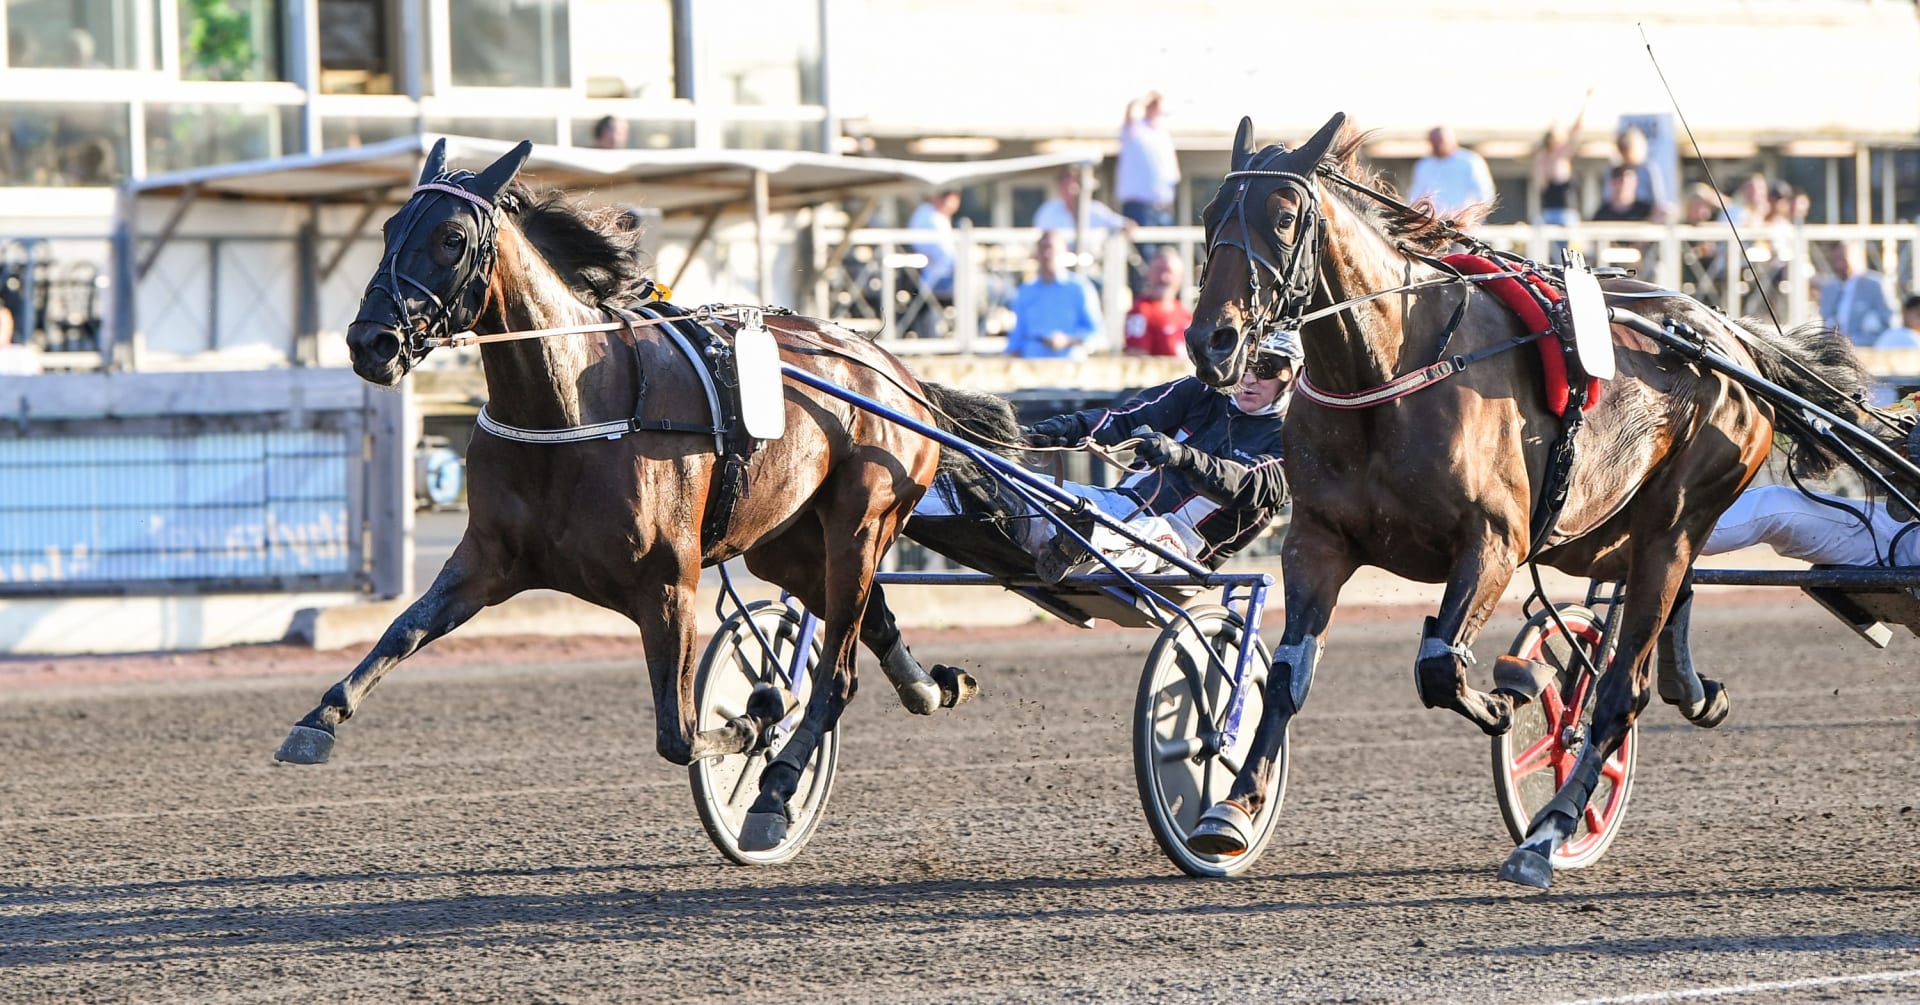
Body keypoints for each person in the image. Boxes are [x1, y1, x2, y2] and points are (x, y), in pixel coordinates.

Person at [1014, 333, 1295, 582]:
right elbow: (1126, 419)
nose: (1249, 378)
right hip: (1119, 505)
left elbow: (1248, 484)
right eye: (1243, 363)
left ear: (1293, 375)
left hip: (1183, 548)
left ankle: (1082, 540)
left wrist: (1183, 457)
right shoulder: (1199, 391)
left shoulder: (1295, 438)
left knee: (1132, 529)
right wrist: (1067, 427)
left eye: (1266, 368)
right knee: (1018, 484)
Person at [1703, 484, 1920, 567]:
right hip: (1901, 539)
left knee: (1775, 506)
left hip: (1903, 548)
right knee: (1774, 504)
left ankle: (1675, 535)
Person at [1004, 231, 1102, 359]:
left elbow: (1096, 332)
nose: (1047, 255)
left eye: (1051, 248)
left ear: (1064, 252)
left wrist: (1068, 340)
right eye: (1042, 249)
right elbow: (1017, 337)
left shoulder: (1079, 288)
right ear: (1036, 254)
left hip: (1071, 368)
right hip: (1032, 368)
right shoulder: (1025, 291)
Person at [1116, 92, 1181, 232]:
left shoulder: (1162, 133)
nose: (1156, 108)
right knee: (1145, 251)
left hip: (1164, 207)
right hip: (1139, 207)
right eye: (1153, 104)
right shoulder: (1135, 128)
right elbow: (1128, 117)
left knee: (1166, 251)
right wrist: (1140, 99)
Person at [1032, 166, 1134, 253]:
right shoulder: (1048, 210)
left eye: (1072, 183)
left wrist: (1107, 239)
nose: (1069, 188)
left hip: (1093, 267)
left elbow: (1126, 225)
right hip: (1059, 267)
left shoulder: (1095, 210)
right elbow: (1040, 238)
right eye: (1064, 183)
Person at [1408, 126, 1495, 218]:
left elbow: (1483, 194)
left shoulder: (1470, 161)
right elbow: (1416, 194)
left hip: (1464, 223)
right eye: (1434, 142)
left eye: (1440, 141)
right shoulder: (1424, 165)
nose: (1437, 145)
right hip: (1432, 223)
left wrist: (1468, 216)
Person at [1819, 242, 1894, 347]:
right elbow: (1825, 321)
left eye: (1843, 259)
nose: (1839, 265)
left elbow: (1888, 320)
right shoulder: (1829, 288)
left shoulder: (1874, 285)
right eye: (1835, 260)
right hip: (1835, 349)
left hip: (1868, 348)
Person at [1534, 92, 1589, 228]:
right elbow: (1576, 130)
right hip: (1559, 213)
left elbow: (1575, 130)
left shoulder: (1544, 158)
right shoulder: (1552, 156)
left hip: (1555, 212)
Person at [1123, 248, 1190, 357]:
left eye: (1169, 271)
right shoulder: (1140, 313)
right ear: (1149, 274)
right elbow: (1136, 359)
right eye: (1159, 271)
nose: (1164, 278)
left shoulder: (1184, 312)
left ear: (1180, 277)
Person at [906, 189, 962, 296]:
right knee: (992, 286)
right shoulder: (933, 218)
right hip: (936, 280)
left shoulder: (924, 212)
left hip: (929, 278)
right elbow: (946, 255)